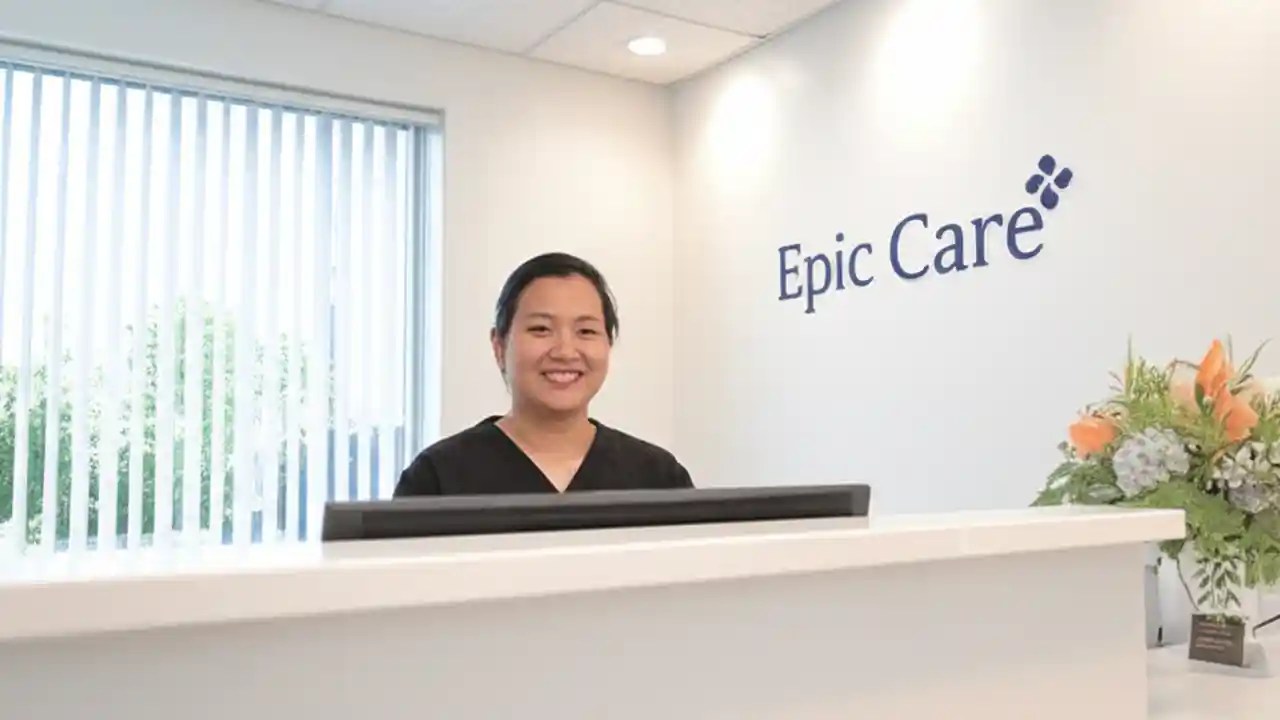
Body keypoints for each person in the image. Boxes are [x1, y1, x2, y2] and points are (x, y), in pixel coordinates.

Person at [394, 252, 693, 496]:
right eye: (541, 329)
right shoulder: (437, 479)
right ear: (499, 345)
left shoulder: (658, 477)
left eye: (586, 331)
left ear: (608, 345)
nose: (565, 351)